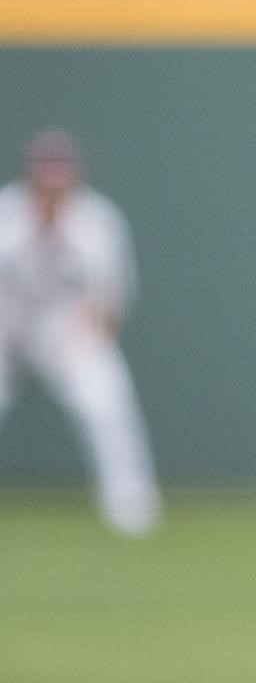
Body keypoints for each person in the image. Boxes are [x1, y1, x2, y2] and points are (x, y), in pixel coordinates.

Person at [0, 128, 161, 537]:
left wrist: (84, 337)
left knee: (107, 398)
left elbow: (109, 296)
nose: (52, 185)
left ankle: (129, 502)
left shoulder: (97, 220)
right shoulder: (7, 213)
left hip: (68, 332)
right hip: (8, 329)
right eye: (45, 175)